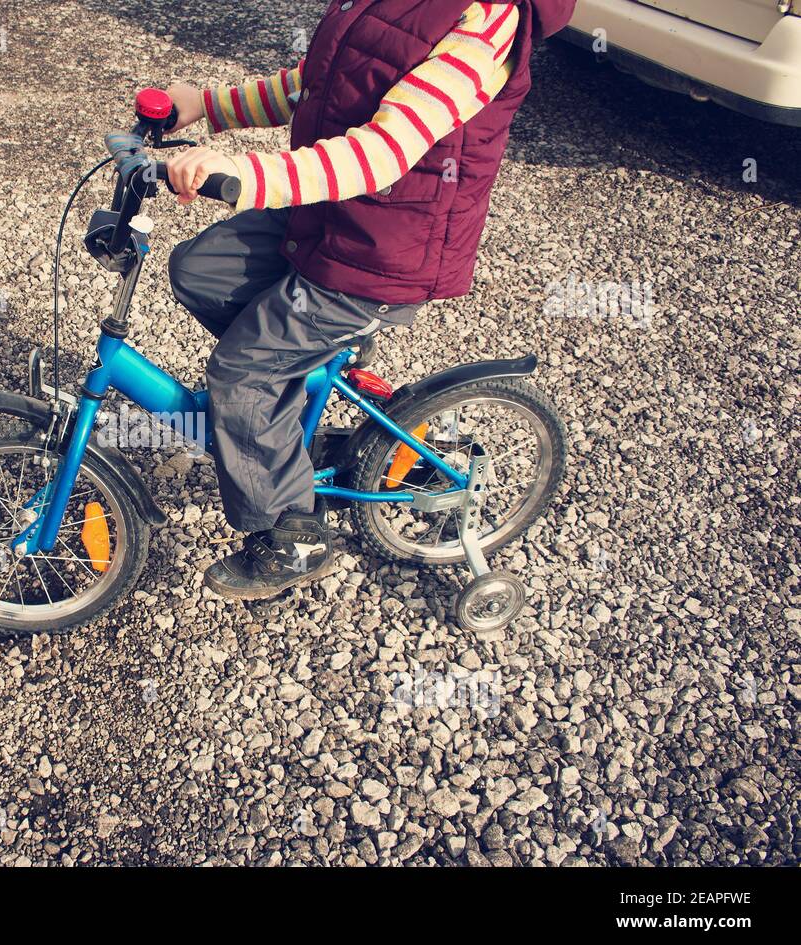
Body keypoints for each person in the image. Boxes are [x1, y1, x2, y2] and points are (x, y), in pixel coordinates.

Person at [161, 0, 575, 600]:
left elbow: (383, 153)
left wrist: (248, 175)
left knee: (244, 371)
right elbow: (315, 85)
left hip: (382, 250)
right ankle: (292, 401)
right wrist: (208, 106)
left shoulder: (486, 20)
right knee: (201, 270)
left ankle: (292, 533)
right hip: (328, 213)